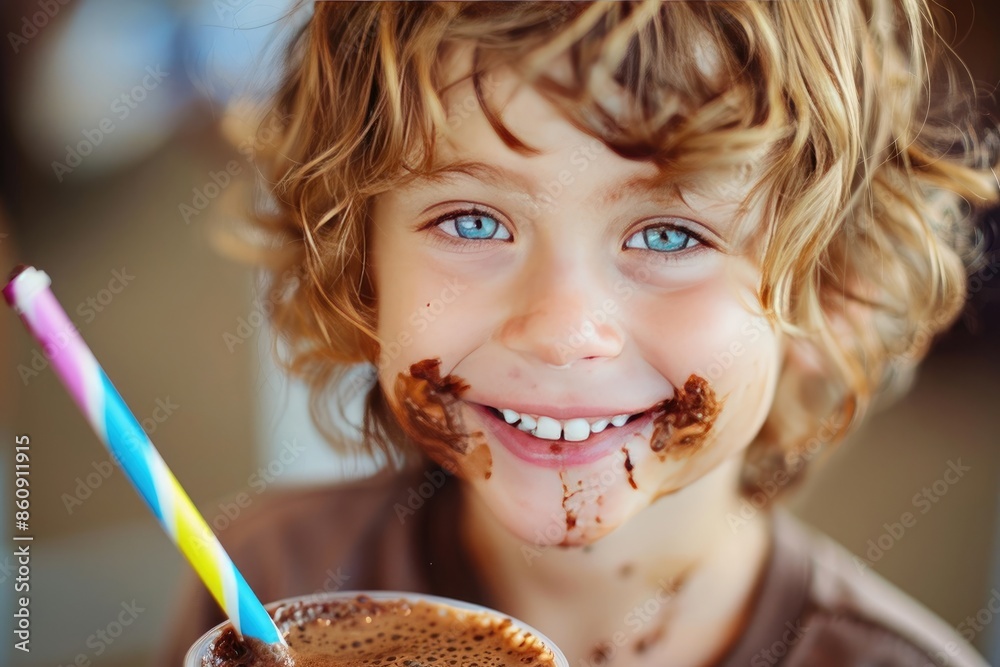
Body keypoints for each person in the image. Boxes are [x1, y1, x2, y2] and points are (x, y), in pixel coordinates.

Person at [157, 2, 1000, 665]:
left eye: (669, 235)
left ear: (832, 288)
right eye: (475, 222)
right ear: (360, 266)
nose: (561, 333)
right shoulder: (262, 592)